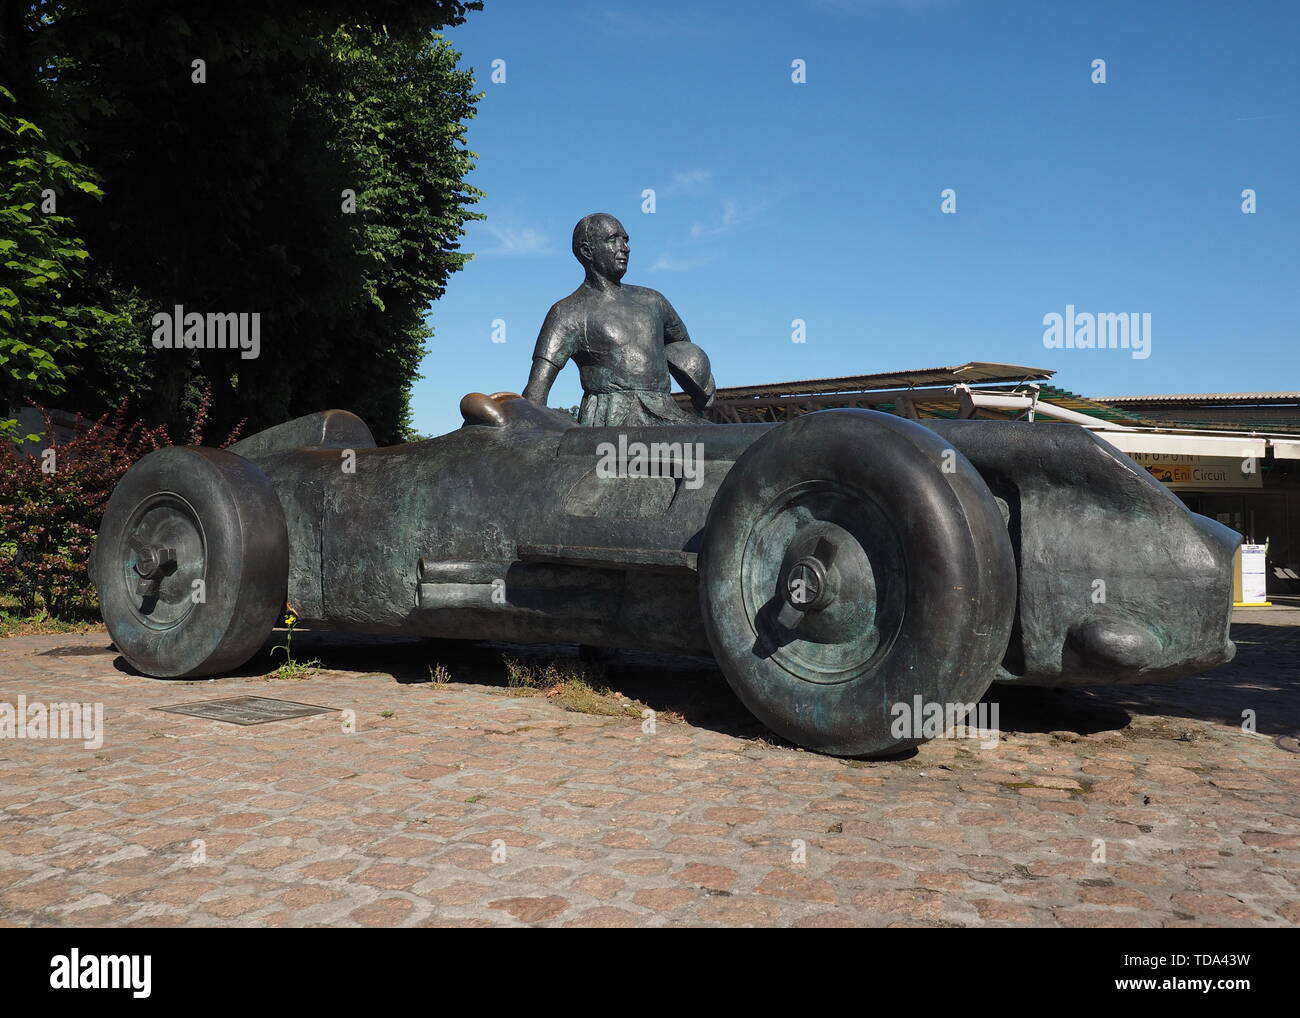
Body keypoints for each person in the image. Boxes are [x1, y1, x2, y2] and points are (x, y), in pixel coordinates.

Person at [523, 213, 715, 426]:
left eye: (625, 240)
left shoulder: (653, 300)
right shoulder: (567, 312)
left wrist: (701, 387)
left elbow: (683, 349)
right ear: (587, 251)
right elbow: (535, 395)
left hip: (666, 412)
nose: (624, 247)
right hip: (610, 420)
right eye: (612, 239)